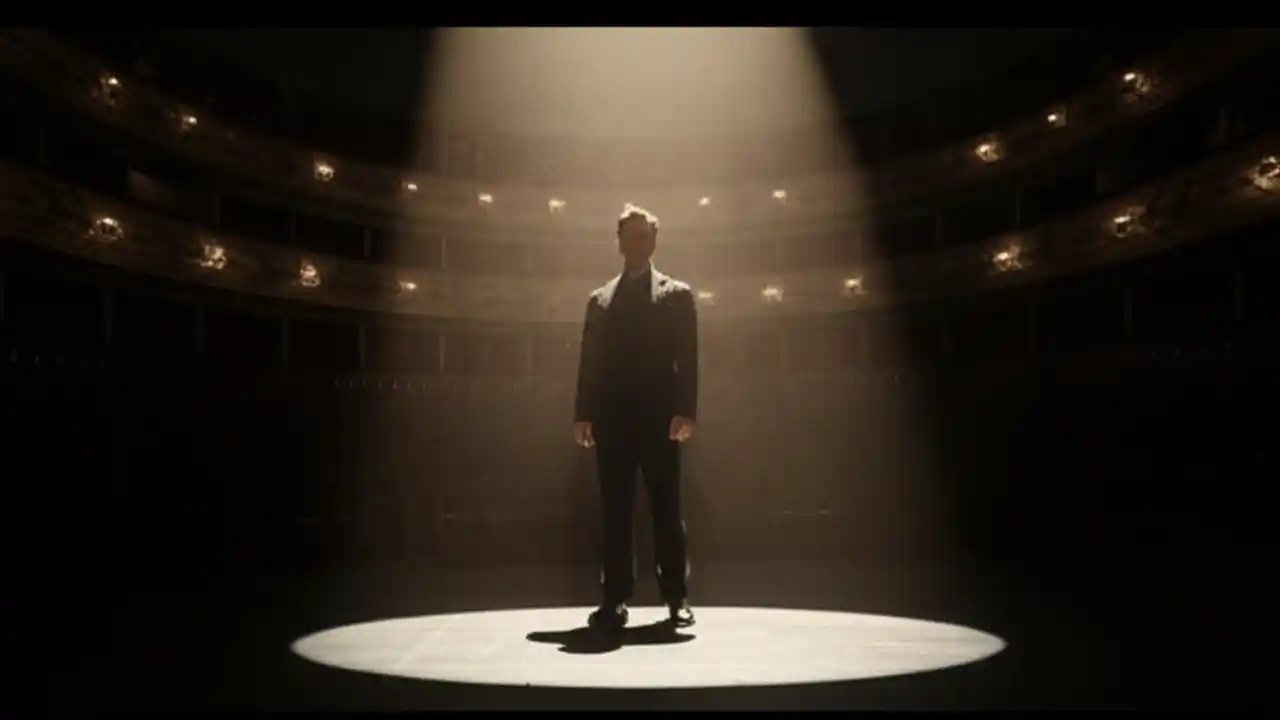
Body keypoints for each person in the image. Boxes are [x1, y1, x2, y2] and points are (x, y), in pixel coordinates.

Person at [573, 204, 698, 631]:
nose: (637, 243)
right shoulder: (599, 300)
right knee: (615, 511)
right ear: (619, 242)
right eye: (630, 236)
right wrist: (582, 414)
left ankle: (676, 598)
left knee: (667, 509)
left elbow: (688, 357)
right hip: (613, 419)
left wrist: (686, 411)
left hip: (662, 417)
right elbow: (588, 362)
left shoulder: (678, 294)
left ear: (654, 241)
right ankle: (613, 599)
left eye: (644, 236)